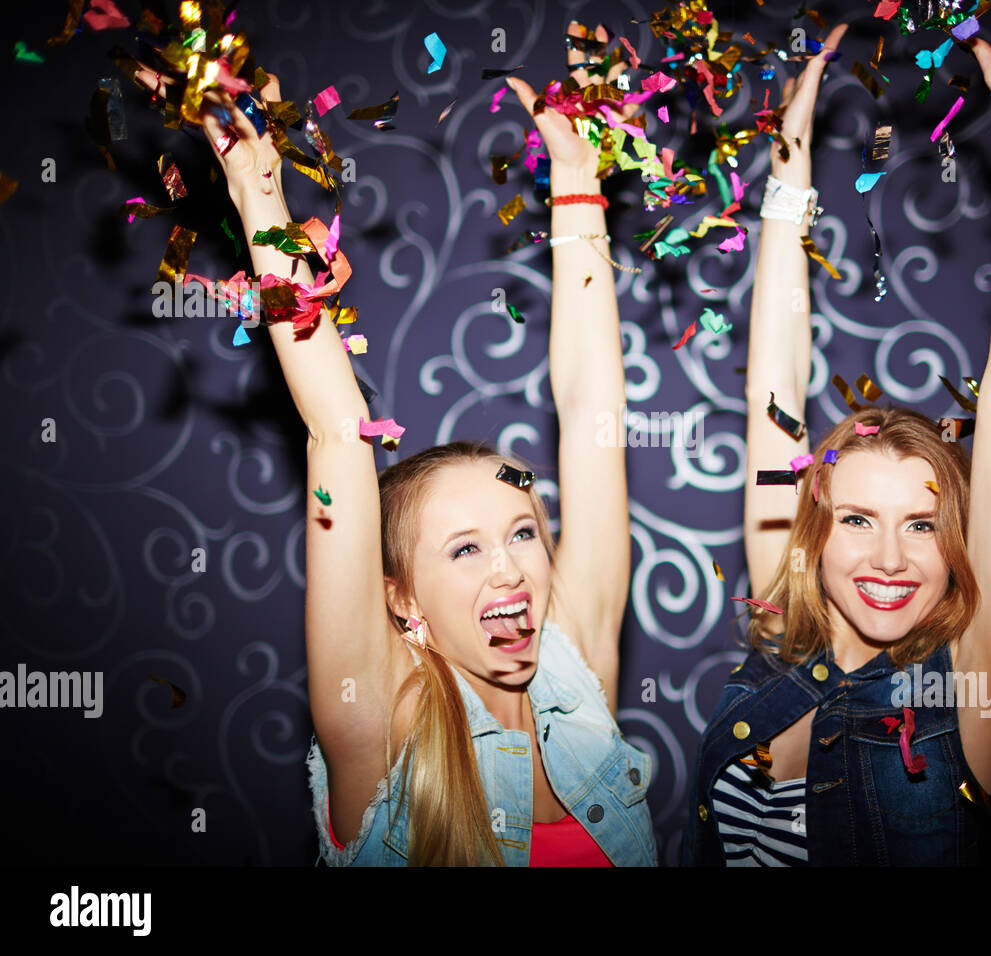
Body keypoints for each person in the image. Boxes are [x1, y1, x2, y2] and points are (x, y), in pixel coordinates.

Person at [133, 26, 657, 866]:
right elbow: (338, 430)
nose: (511, 569)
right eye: (464, 549)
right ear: (402, 600)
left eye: (523, 533)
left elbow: (593, 400)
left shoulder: (577, 666)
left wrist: (579, 183)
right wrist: (258, 196)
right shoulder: (379, 723)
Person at [685, 20, 991, 865]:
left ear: (954, 542)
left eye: (922, 525)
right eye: (856, 519)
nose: (889, 558)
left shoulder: (975, 689)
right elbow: (773, 393)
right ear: (815, 531)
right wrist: (787, 172)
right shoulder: (781, 634)